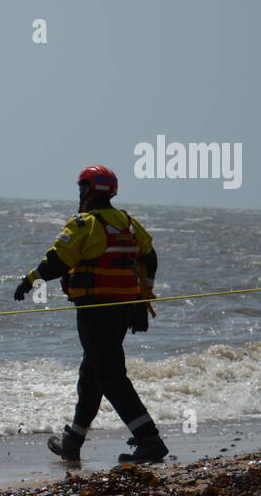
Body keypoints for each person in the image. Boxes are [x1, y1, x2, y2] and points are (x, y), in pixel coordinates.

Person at [12, 165, 169, 463]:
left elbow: (58, 261)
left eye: (80, 188)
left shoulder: (84, 224)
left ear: (86, 189)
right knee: (92, 374)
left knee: (109, 376)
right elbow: (149, 256)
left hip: (96, 311)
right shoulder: (128, 222)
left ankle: (150, 440)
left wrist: (29, 280)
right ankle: (73, 441)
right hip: (122, 310)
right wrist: (143, 299)